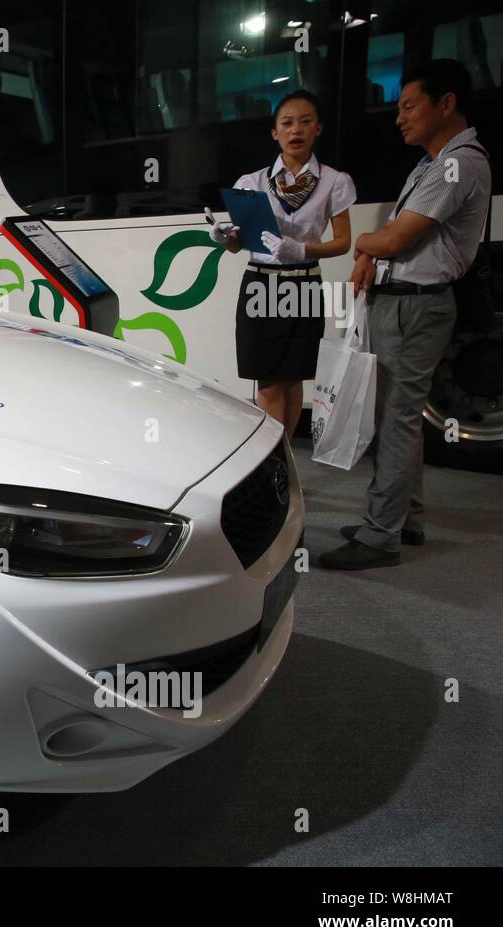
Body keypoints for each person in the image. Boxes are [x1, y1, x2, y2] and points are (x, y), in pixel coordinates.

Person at [320, 60, 492, 571]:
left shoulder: (459, 164)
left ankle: (379, 536)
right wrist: (375, 252)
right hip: (400, 303)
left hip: (417, 306)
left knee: (395, 418)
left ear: (446, 104)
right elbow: (394, 237)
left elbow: (394, 237)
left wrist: (367, 245)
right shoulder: (429, 164)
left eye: (409, 106)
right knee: (400, 417)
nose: (399, 118)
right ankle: (405, 518)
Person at [207, 89, 355, 437]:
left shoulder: (335, 181)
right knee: (270, 384)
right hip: (262, 283)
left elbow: (344, 242)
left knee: (292, 380)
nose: (295, 130)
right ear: (275, 132)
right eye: (286, 123)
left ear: (318, 128)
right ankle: (277, 465)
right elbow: (239, 246)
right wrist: (224, 238)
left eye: (305, 122)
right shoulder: (252, 183)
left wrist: (302, 251)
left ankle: (285, 467)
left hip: (304, 285)